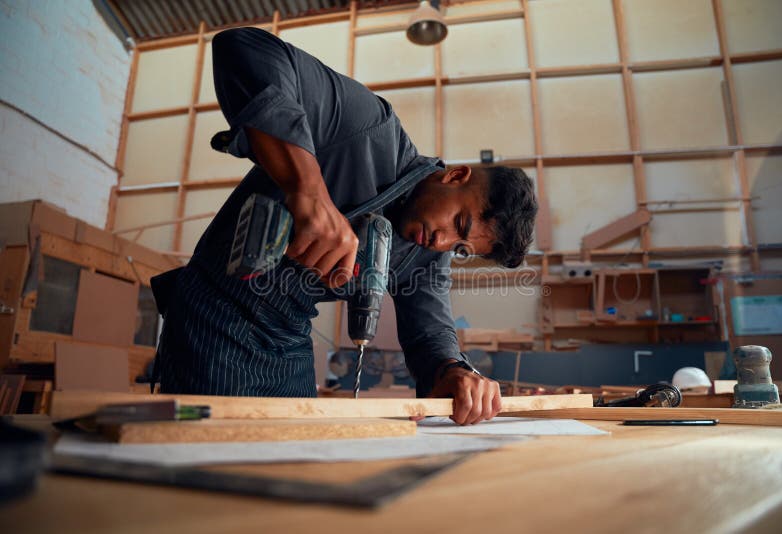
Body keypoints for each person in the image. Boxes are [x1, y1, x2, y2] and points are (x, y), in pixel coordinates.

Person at [152, 27, 537, 425]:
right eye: (459, 222)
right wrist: (307, 188)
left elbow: (429, 334)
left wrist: (455, 371)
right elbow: (243, 47)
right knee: (215, 460)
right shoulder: (368, 129)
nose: (443, 242)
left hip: (289, 340)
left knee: (297, 457)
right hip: (215, 317)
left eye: (460, 246)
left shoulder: (425, 253)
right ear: (455, 176)